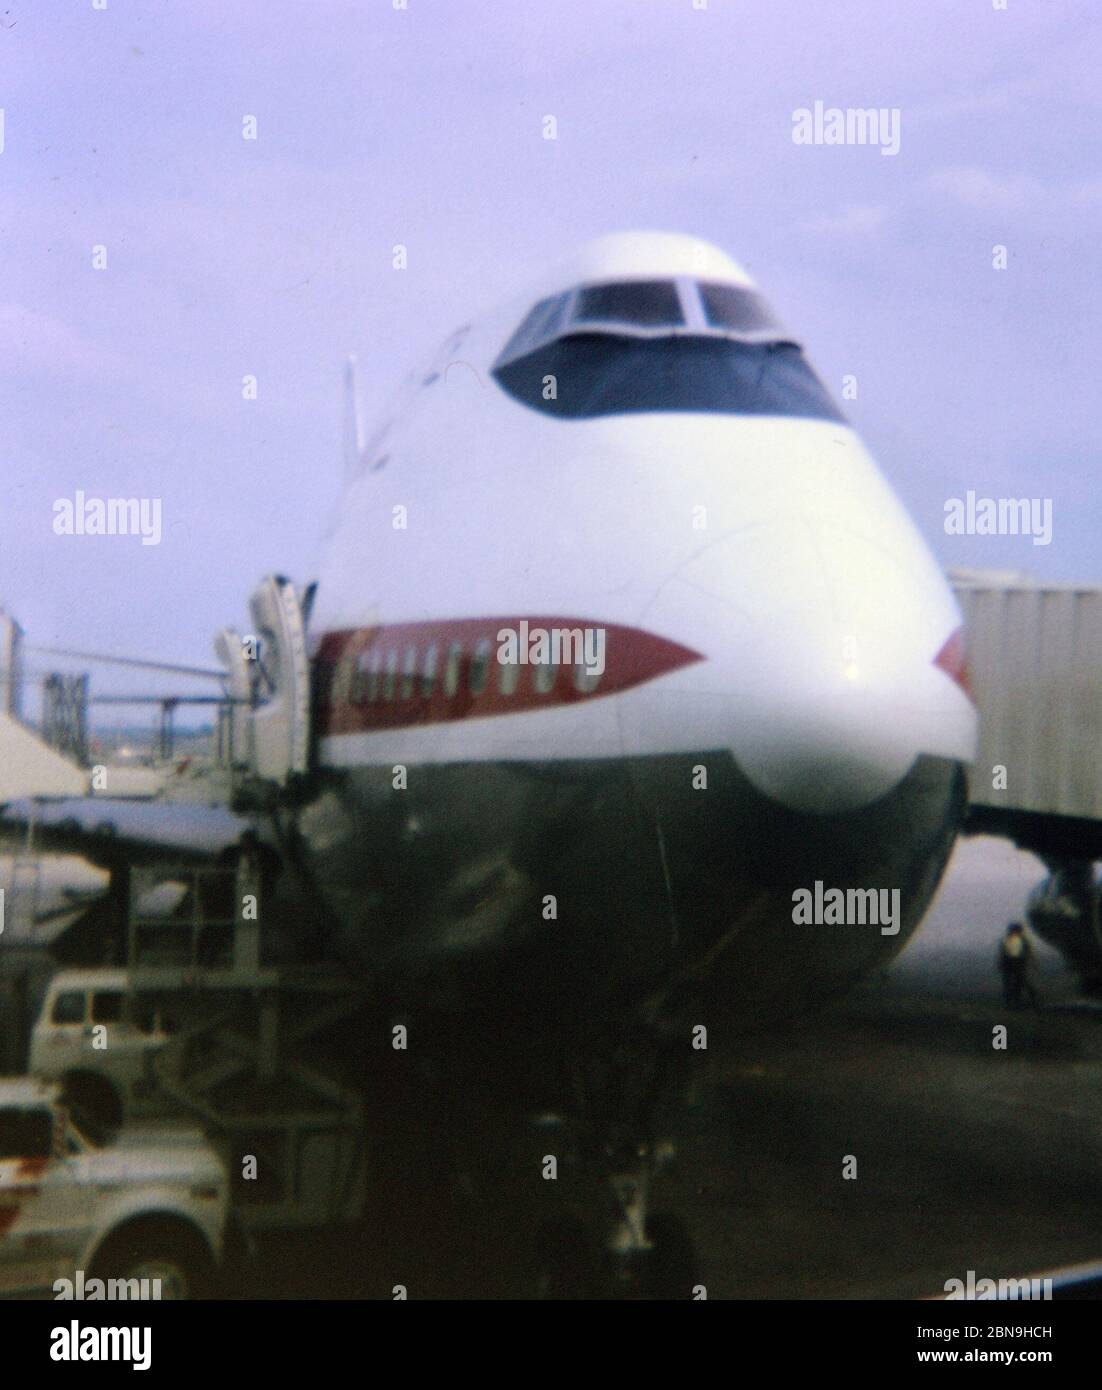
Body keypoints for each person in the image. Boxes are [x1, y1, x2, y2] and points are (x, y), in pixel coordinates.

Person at [999, 922, 1038, 1009]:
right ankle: (1009, 1003)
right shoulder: (1006, 940)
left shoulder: (1022, 941)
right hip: (1009, 963)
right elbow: (1002, 953)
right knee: (1008, 983)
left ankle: (1017, 1001)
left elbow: (1029, 952)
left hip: (1018, 963)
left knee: (1019, 983)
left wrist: (1033, 961)